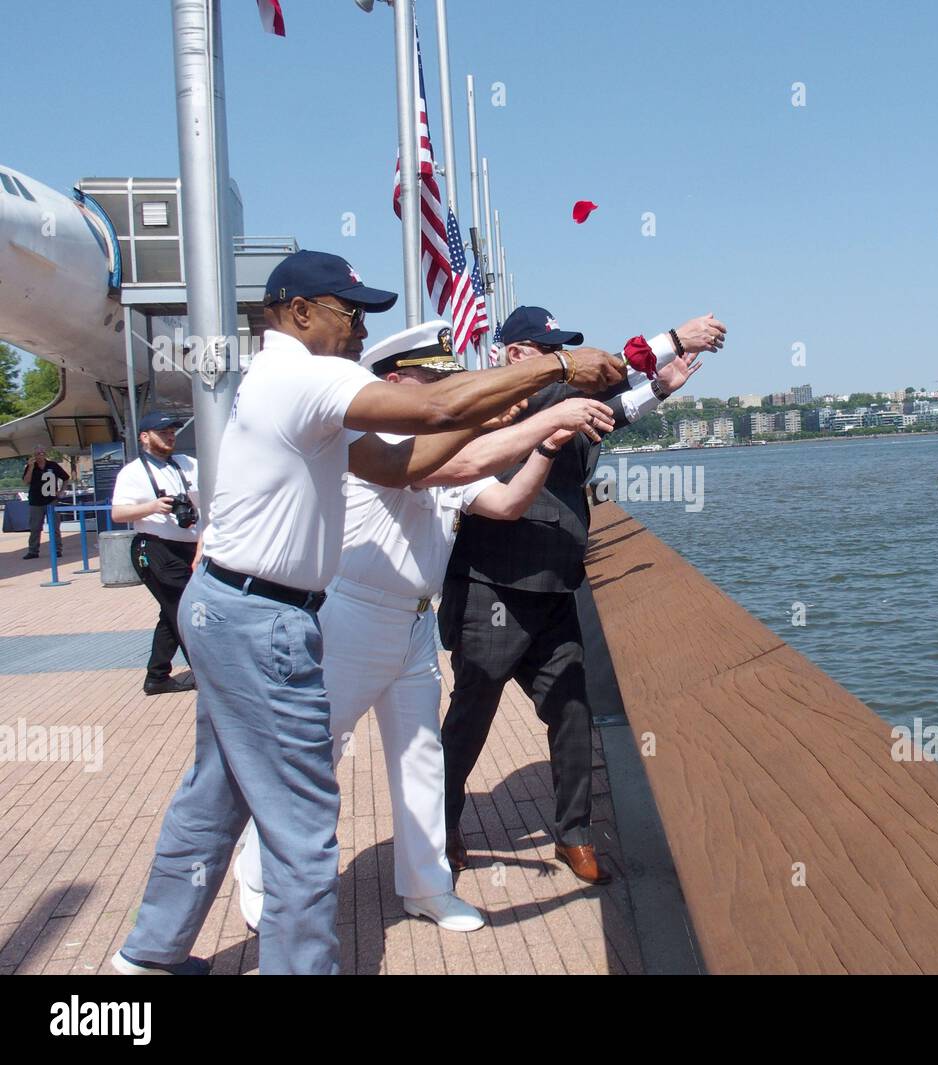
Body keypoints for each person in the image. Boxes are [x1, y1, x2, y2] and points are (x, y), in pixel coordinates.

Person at [113, 250, 626, 976]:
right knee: (302, 825)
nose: (360, 328)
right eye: (351, 311)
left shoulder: (286, 379)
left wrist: (504, 408)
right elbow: (437, 409)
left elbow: (401, 464)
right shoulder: (307, 374)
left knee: (215, 796)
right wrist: (557, 371)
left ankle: (149, 957)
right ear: (298, 312)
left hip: (230, 605)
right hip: (267, 617)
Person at [233, 320, 617, 935]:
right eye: (431, 377)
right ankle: (260, 876)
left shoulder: (447, 440)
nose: (444, 385)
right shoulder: (378, 430)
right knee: (312, 755)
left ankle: (428, 886)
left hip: (412, 622)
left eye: (446, 375)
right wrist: (543, 418)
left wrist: (545, 445)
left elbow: (506, 503)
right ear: (394, 381)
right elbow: (438, 468)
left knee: (420, 758)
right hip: (354, 613)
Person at [440, 305, 725, 884]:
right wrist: (671, 341)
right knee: (472, 716)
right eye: (551, 352)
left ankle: (574, 836)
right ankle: (440, 828)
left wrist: (660, 390)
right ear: (518, 357)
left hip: (554, 588)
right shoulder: (508, 399)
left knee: (573, 712)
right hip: (494, 590)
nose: (565, 364)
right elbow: (605, 375)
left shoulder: (557, 401)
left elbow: (608, 412)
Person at [110, 411, 201, 695]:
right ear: (145, 437)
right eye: (163, 432)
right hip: (156, 547)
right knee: (183, 610)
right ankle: (207, 674)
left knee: (171, 610)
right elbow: (117, 513)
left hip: (190, 546)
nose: (170, 435)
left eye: (173, 431)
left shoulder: (187, 464)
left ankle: (157, 676)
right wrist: (152, 506)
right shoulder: (133, 473)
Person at [21, 447, 68, 559]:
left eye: (42, 453)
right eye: (37, 454)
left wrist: (61, 491)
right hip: (36, 501)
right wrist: (31, 467)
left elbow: (66, 477)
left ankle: (57, 550)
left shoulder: (52, 465)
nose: (40, 456)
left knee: (54, 526)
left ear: (45, 454)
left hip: (51, 500)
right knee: (35, 527)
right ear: (34, 455)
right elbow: (26, 481)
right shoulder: (31, 467)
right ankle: (33, 551)